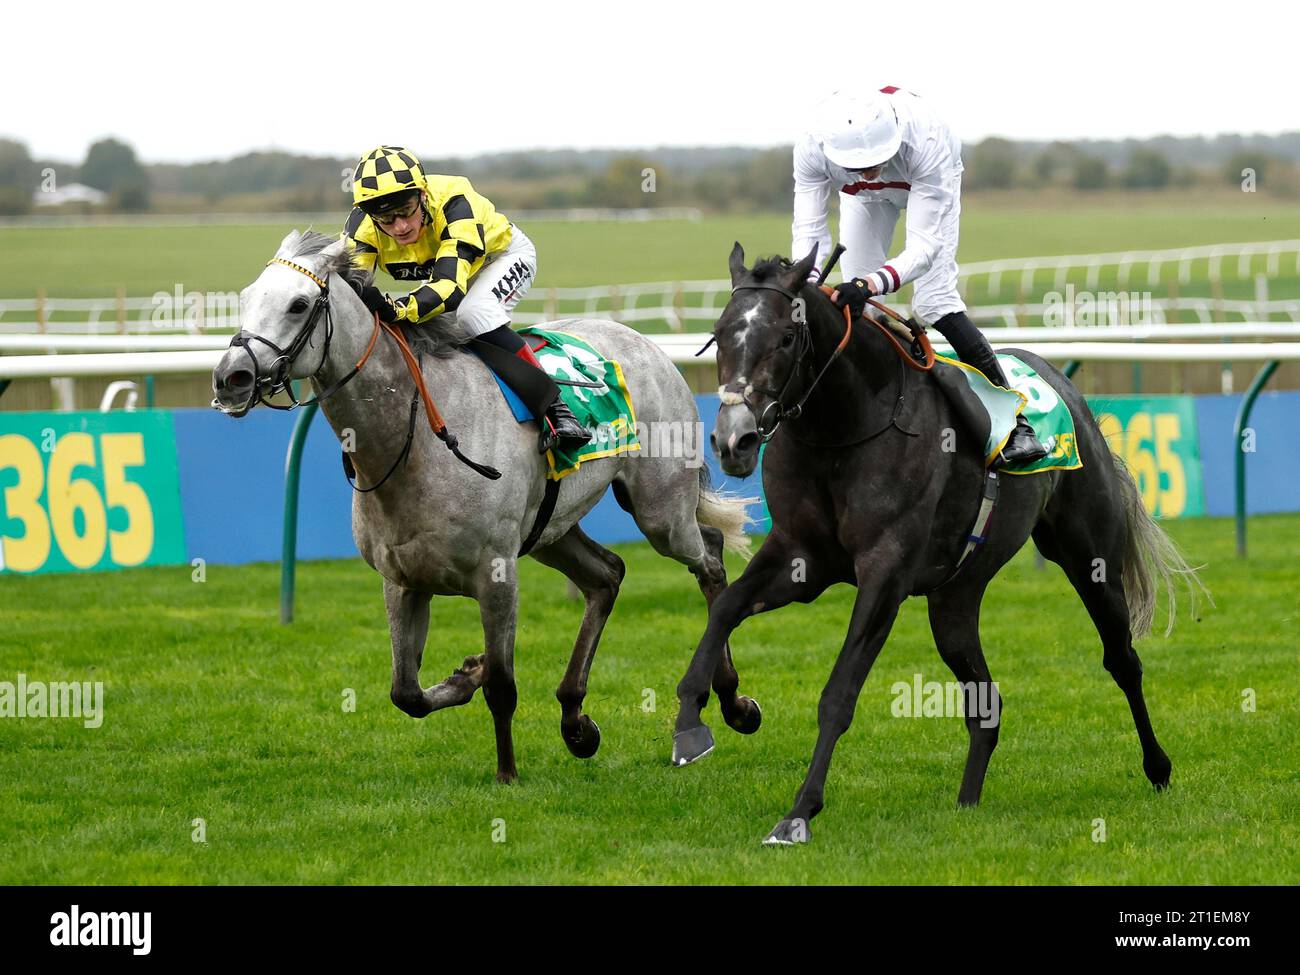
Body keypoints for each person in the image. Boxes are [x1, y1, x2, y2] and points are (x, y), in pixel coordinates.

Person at [793, 88, 1047, 466]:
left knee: (934, 302)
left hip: (926, 183)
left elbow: (924, 249)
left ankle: (1016, 425)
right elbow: (809, 232)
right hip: (863, 201)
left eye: (876, 161)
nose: (868, 171)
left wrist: (868, 285)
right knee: (858, 312)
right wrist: (808, 284)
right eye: (857, 166)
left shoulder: (926, 140)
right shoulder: (813, 146)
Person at [343, 145, 590, 455]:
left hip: (499, 257)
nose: (400, 227)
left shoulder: (456, 202)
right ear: (369, 215)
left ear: (422, 195)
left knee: (474, 314)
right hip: (447, 268)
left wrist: (398, 307)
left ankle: (558, 411)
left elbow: (449, 288)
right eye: (386, 220)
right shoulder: (362, 227)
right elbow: (352, 289)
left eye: (406, 212)